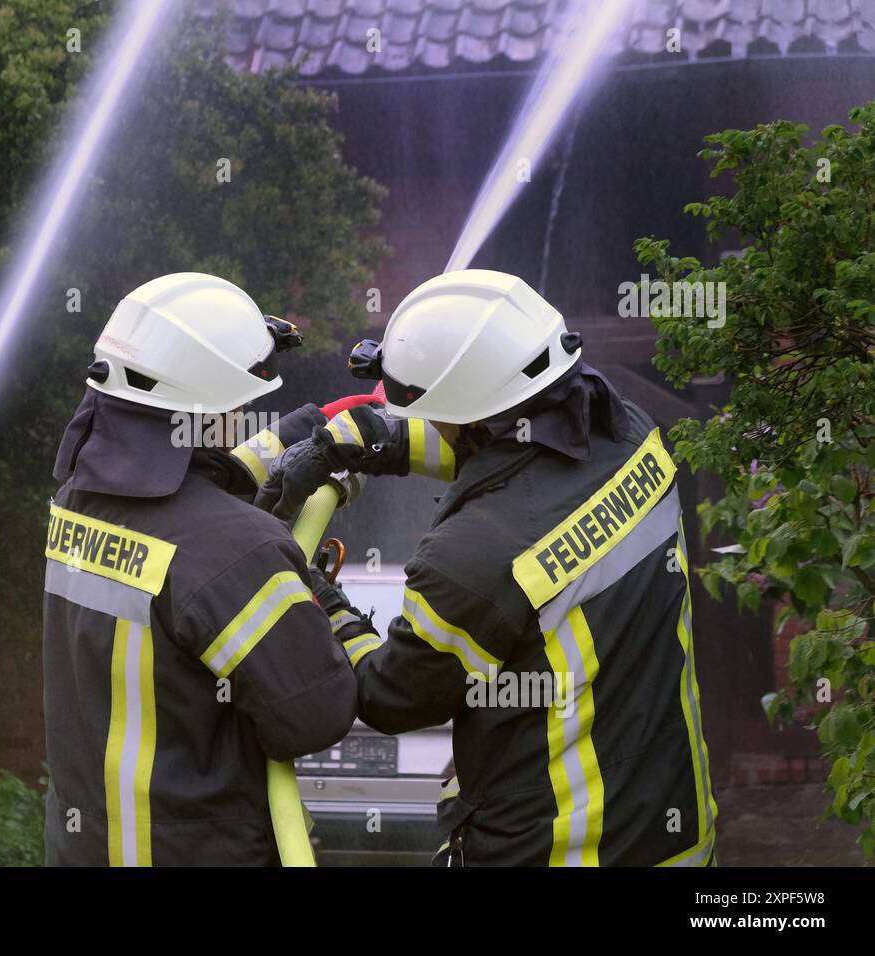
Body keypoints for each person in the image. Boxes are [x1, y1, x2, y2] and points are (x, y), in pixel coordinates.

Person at [258, 269, 718, 866]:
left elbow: (390, 693)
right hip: (680, 835)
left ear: (469, 414)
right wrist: (369, 437)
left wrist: (314, 590)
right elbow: (512, 452)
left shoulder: (471, 558)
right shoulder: (626, 433)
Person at [43, 272, 358, 866]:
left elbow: (179, 492)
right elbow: (316, 715)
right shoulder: (241, 551)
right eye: (239, 400)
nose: (245, 411)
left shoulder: (75, 504)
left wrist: (283, 444)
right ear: (208, 405)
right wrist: (314, 593)